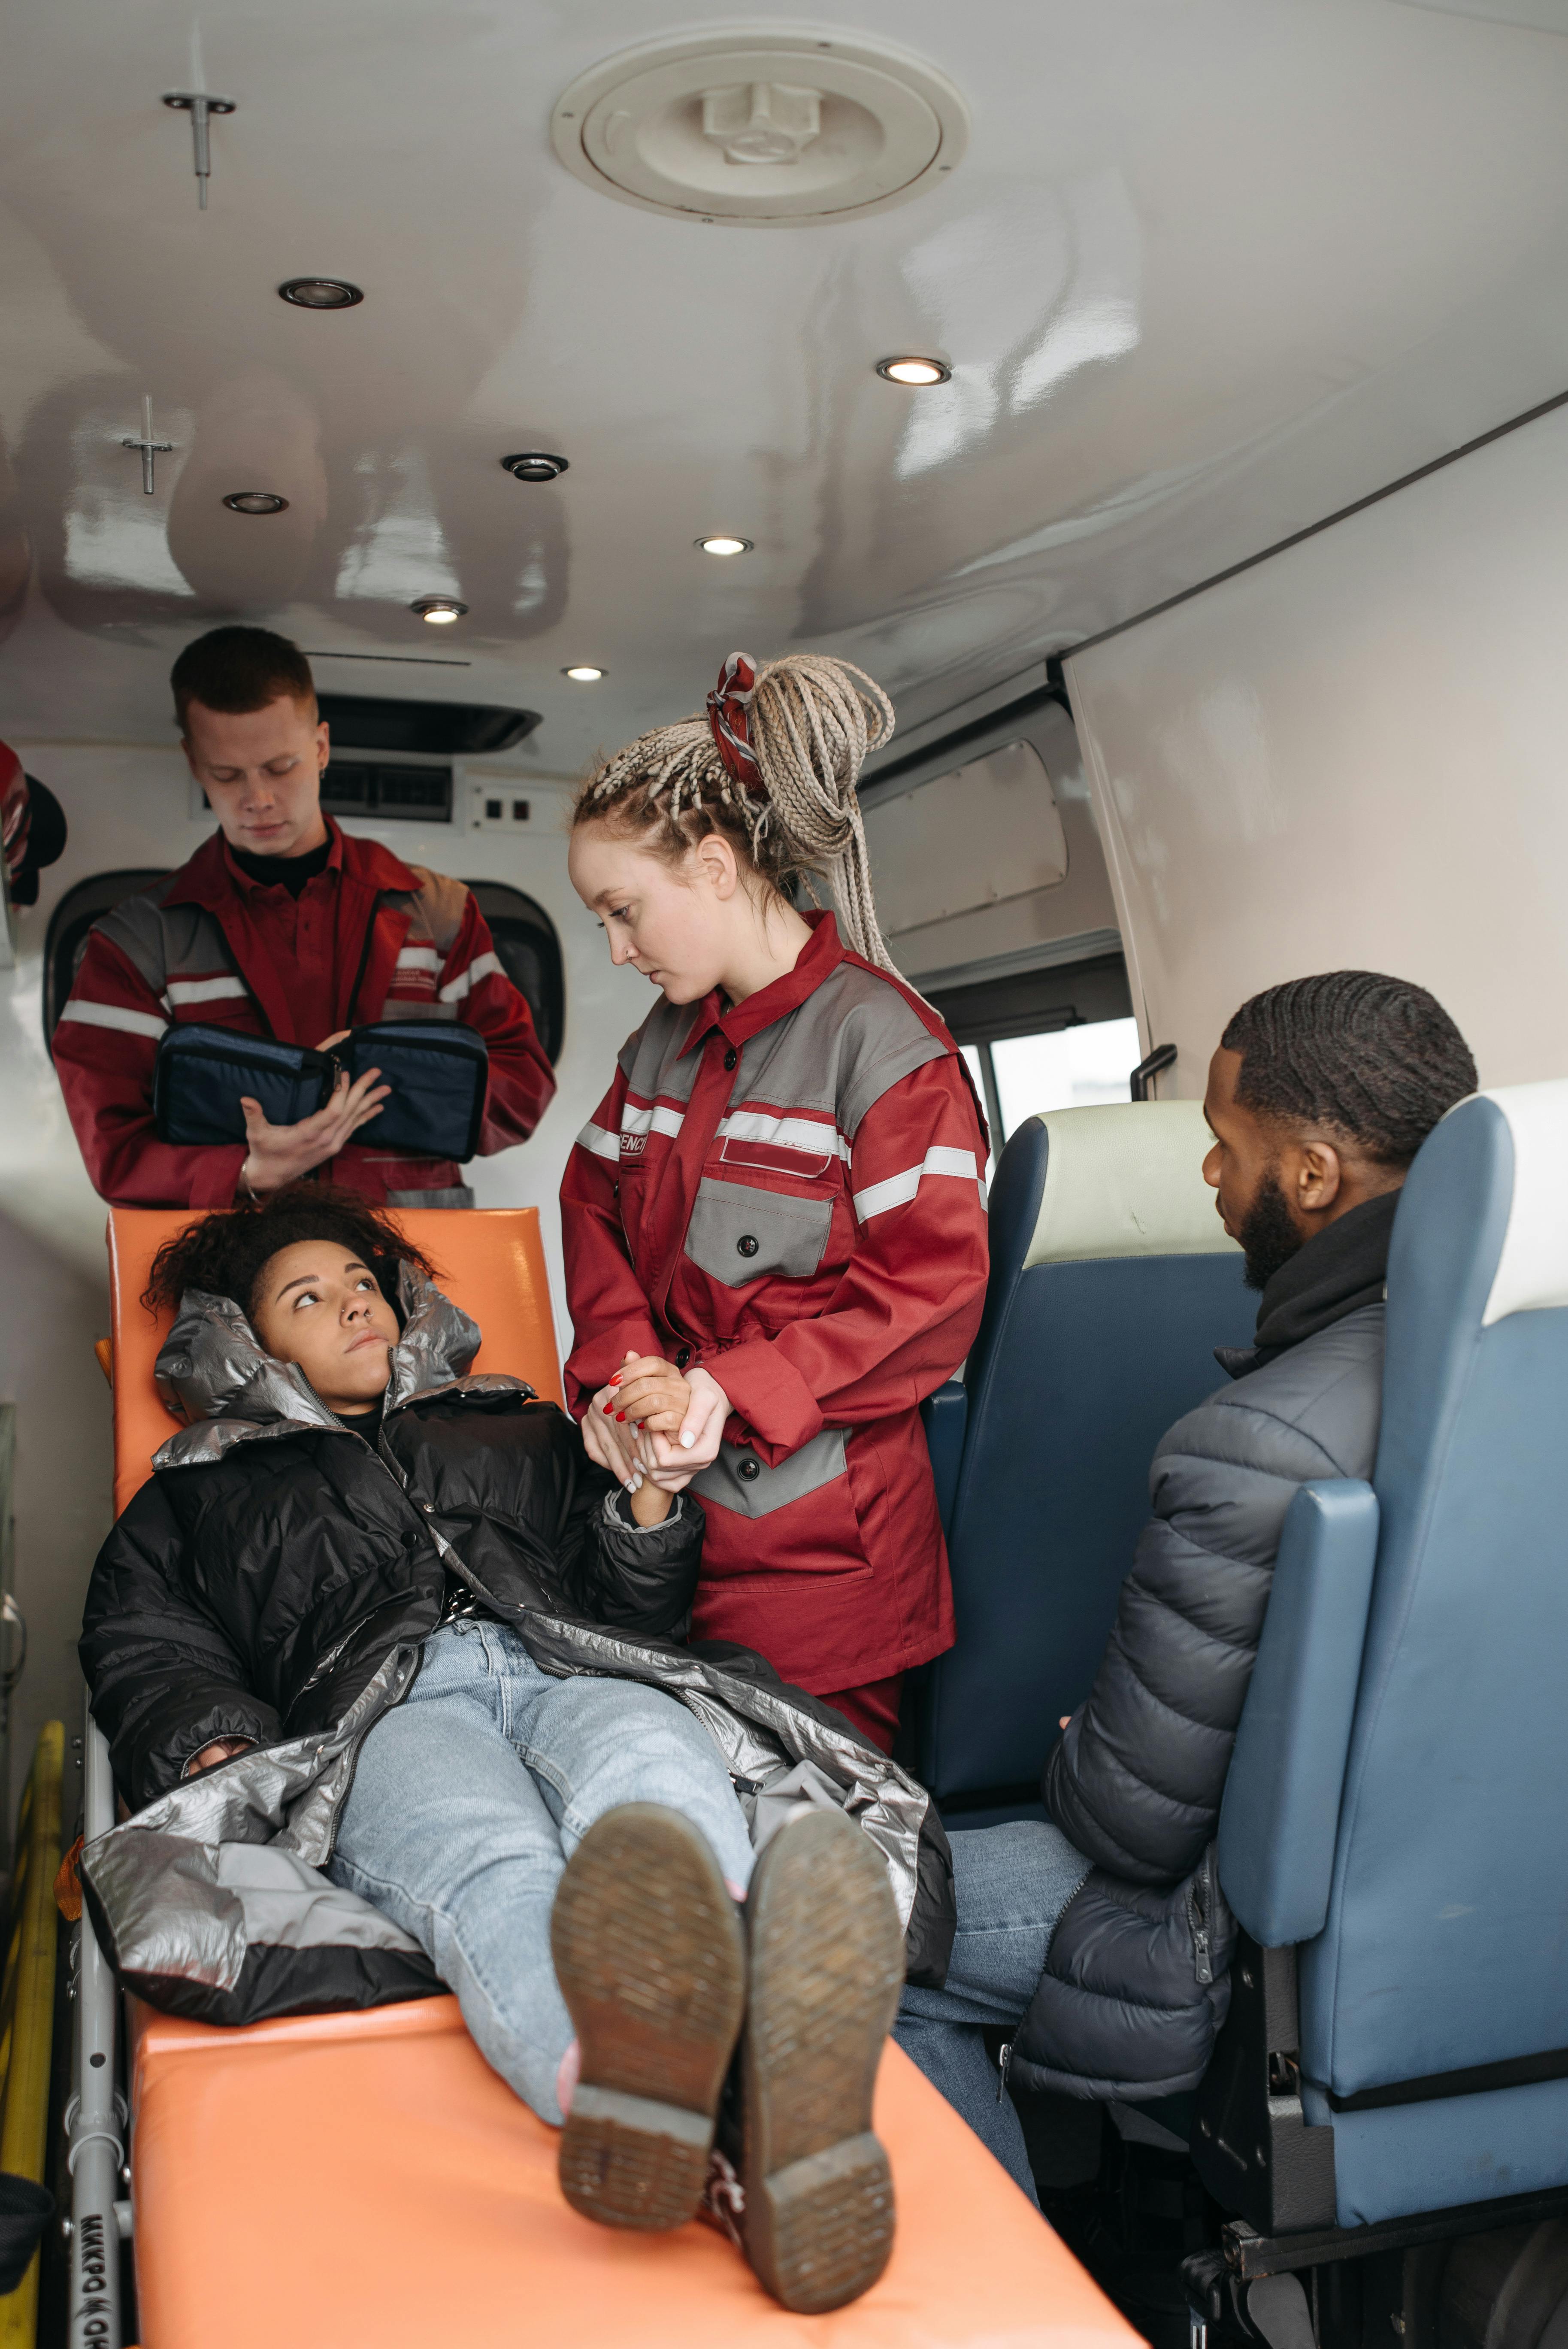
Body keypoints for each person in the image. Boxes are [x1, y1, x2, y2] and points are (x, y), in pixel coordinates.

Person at [79, 1186, 934, 2313]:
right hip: (386, 1711)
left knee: (653, 1770)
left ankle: (728, 2022)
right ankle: (676, 2108)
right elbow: (150, 1650)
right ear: (243, 1340)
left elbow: (632, 1600)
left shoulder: (519, 1423)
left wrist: (645, 1506)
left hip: (571, 1664)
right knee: (487, 1858)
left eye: (361, 1283)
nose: (352, 1305)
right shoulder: (191, 1496)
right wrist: (215, 1746)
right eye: (308, 1295)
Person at [893, 970, 1479, 2198]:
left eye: (1223, 1147)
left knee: (848, 1932)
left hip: (1241, 1932)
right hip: (1463, 1906)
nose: (1208, 1178)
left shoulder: (1252, 1440)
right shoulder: (1511, 1364)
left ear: (1311, 1175)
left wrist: (1067, 1746)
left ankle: (1021, 2312)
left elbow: (1127, 1822)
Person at [560, 651, 990, 1753]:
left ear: (711, 866)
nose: (616, 950)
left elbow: (932, 1301)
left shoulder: (886, 1050)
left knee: (821, 1880)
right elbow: (594, 1197)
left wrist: (724, 1387)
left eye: (624, 911)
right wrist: (620, 1381)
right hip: (671, 1539)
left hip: (822, 1572)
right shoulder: (664, 1040)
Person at [53, 626, 555, 1209]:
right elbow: (114, 1148)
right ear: (193, 762)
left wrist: (388, 1084)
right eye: (227, 775)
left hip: (412, 1264)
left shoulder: (441, 912)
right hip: (241, 1271)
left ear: (320, 748)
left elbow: (523, 1090)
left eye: (280, 766)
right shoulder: (134, 944)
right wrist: (244, 1168)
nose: (258, 798)